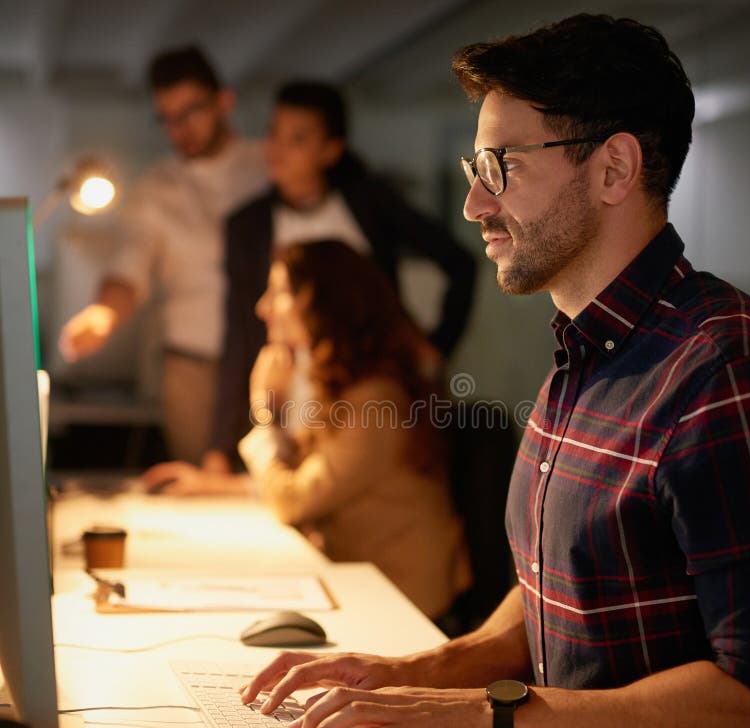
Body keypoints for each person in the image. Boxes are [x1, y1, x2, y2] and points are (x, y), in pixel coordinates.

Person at [237, 15, 750, 728]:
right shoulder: (587, 351)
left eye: (500, 166)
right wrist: (413, 673)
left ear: (613, 170)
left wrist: (488, 715)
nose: (473, 203)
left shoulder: (728, 369)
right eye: (477, 165)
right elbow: (558, 592)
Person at [143, 240, 471, 621]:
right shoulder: (349, 383)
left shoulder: (374, 399)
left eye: (279, 292)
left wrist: (264, 413)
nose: (262, 308)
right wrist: (214, 484)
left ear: (321, 300)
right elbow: (309, 480)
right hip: (365, 584)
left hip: (403, 602)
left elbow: (294, 501)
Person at [203, 80, 477, 472]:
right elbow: (240, 334)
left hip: (367, 394)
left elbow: (460, 261)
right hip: (289, 390)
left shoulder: (367, 203)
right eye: (273, 134)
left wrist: (436, 347)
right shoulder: (248, 226)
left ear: (331, 150)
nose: (277, 150)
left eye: (296, 139)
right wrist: (220, 446)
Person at [58, 45, 266, 464]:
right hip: (193, 368)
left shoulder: (267, 167)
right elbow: (129, 268)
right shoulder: (155, 192)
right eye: (168, 119)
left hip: (268, 360)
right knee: (198, 482)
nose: (179, 130)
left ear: (223, 101)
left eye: (190, 112)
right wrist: (104, 313)